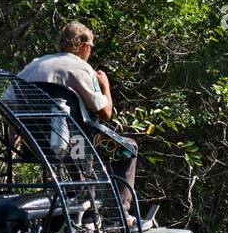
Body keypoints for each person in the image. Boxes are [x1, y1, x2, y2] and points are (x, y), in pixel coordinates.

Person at [16, 22, 143, 221]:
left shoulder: (32, 66)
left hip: (34, 144)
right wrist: (105, 86)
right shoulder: (82, 68)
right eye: (91, 48)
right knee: (129, 148)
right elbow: (105, 113)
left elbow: (9, 102)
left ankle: (85, 210)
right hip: (72, 146)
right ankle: (118, 213)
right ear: (84, 46)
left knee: (78, 147)